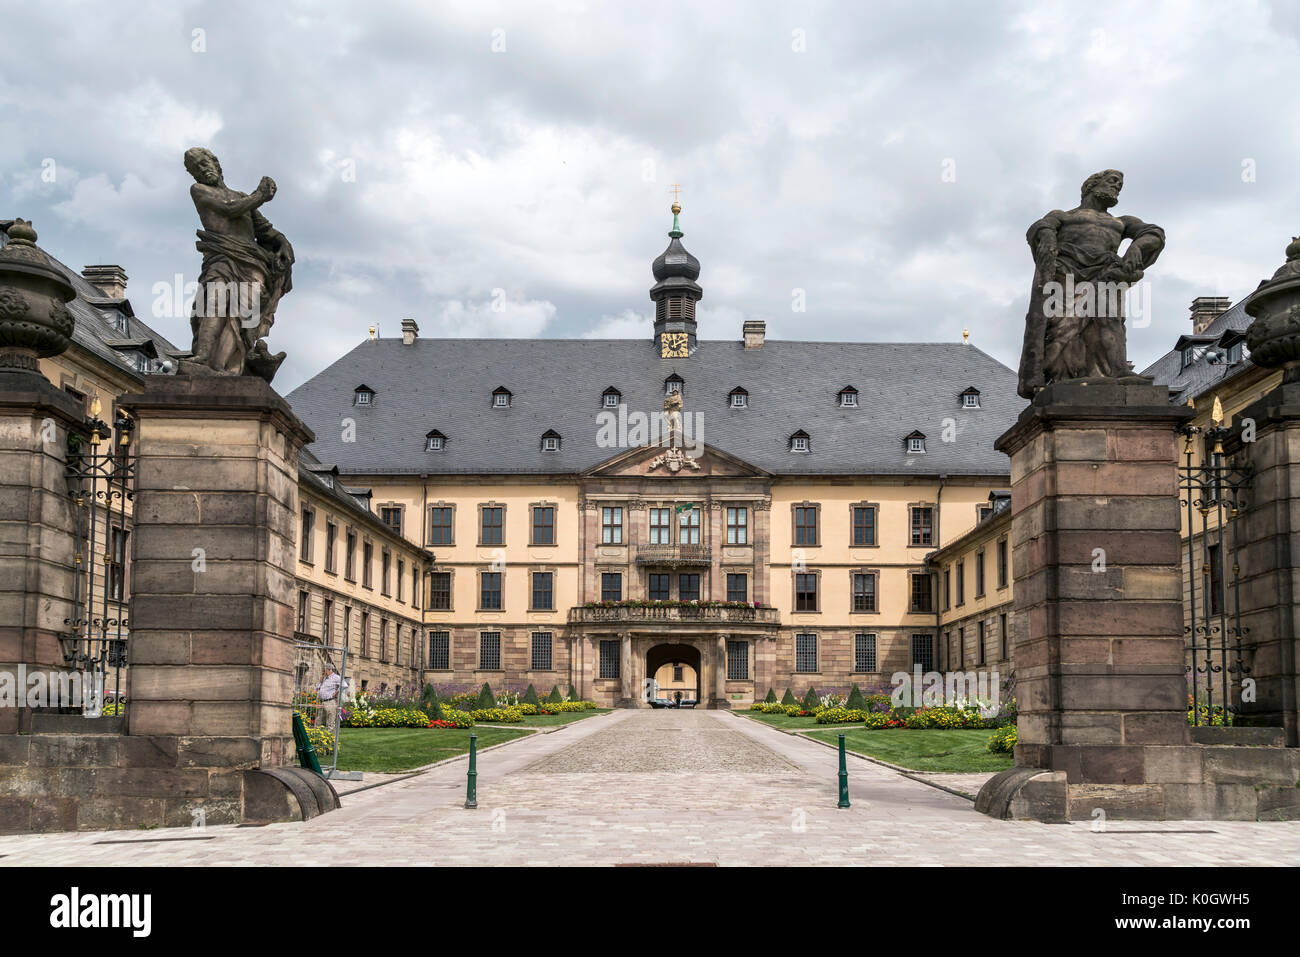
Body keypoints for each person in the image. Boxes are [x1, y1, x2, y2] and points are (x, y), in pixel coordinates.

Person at [317, 665, 341, 730]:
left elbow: (343, 685)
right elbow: (317, 687)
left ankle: (330, 738)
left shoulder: (336, 677)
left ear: (329, 670)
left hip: (330, 701)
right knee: (319, 720)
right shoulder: (324, 678)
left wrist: (336, 693)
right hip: (322, 701)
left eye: (325, 670)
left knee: (330, 721)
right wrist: (321, 679)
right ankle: (320, 736)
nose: (323, 672)